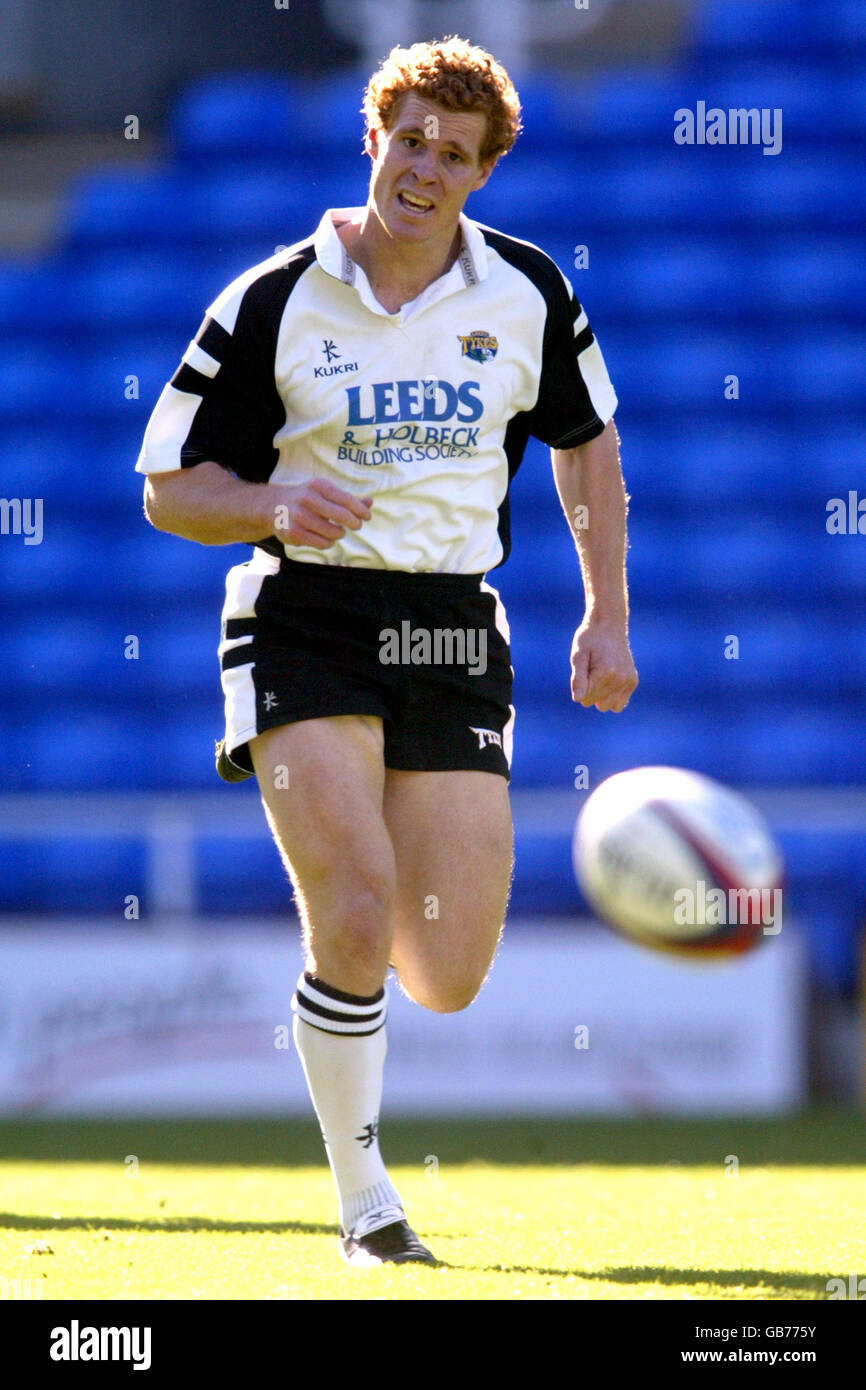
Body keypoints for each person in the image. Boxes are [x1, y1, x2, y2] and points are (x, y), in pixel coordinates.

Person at [136, 36, 637, 1267]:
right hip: (302, 616)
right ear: (374, 137)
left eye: (452, 153)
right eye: (408, 138)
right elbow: (165, 486)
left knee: (447, 968)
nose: (424, 166)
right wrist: (265, 507)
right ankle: (367, 1208)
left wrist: (604, 608)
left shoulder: (527, 295)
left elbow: (584, 446)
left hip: (455, 626)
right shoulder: (273, 297)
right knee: (354, 912)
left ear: (480, 176)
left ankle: (348, 1035)